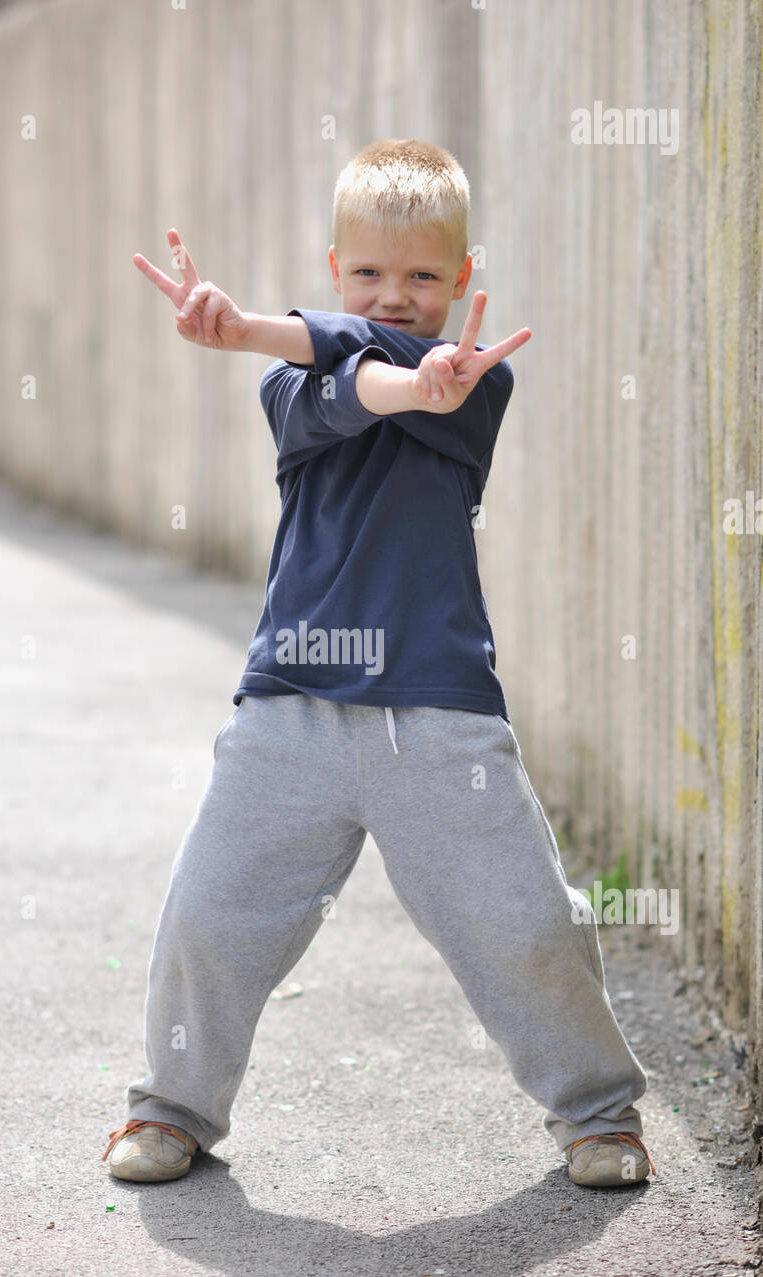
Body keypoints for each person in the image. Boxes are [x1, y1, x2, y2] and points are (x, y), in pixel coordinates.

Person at [102, 138, 654, 1190]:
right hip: (290, 706)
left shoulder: (479, 389)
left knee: (527, 928)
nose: (393, 298)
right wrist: (258, 335)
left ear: (460, 284)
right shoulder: (287, 387)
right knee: (209, 915)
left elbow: (423, 389)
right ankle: (170, 1107)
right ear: (331, 269)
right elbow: (353, 376)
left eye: (423, 278)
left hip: (440, 715)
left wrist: (438, 381)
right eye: (367, 272)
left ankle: (598, 1116)